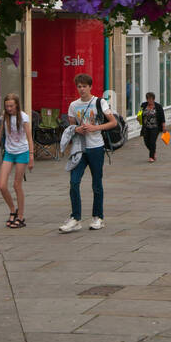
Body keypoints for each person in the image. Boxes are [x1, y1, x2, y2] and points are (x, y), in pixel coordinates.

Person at [60, 74, 115, 232]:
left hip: (96, 147)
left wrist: (95, 128)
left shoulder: (100, 102)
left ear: (90, 87)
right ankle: (75, 218)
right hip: (80, 148)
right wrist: (77, 129)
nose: (82, 89)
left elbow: (113, 122)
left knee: (96, 183)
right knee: (74, 182)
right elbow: (71, 127)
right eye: (79, 86)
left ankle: (98, 217)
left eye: (84, 86)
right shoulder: (73, 105)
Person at [0, 93, 33, 227]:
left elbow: (29, 136)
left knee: (17, 185)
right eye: (6, 106)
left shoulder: (23, 117)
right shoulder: (5, 117)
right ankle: (12, 210)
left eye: (11, 106)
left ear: (16, 104)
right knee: (2, 186)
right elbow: (0, 134)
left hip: (22, 152)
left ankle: (20, 216)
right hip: (9, 152)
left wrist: (31, 156)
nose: (9, 108)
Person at [139, 91, 166, 161]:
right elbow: (140, 113)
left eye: (151, 99)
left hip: (155, 127)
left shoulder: (158, 106)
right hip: (146, 127)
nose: (149, 100)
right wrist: (139, 117)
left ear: (153, 99)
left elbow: (162, 117)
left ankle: (151, 157)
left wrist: (163, 127)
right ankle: (153, 151)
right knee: (146, 142)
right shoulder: (143, 105)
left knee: (152, 141)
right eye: (148, 99)